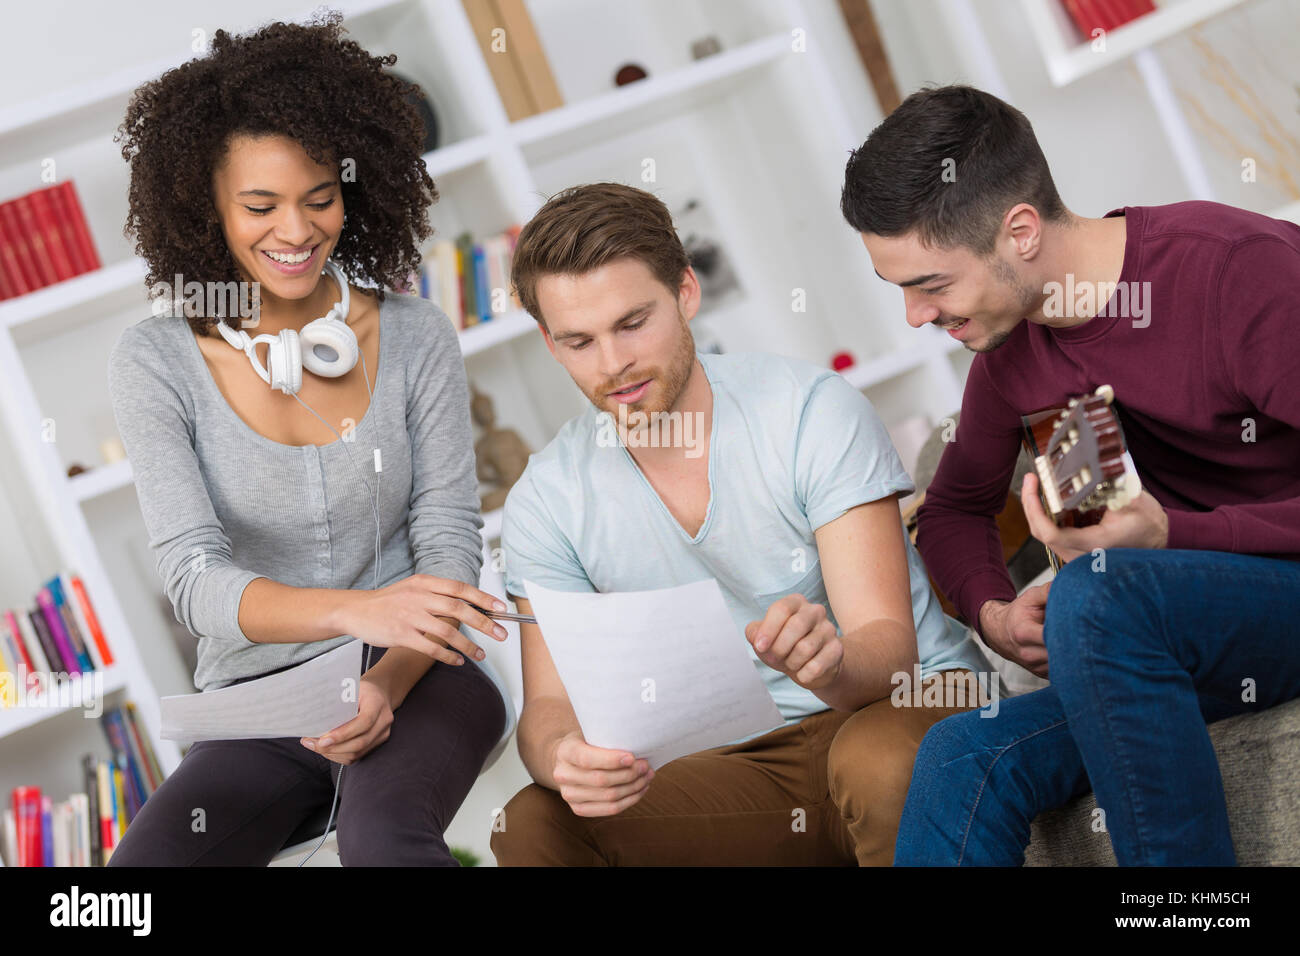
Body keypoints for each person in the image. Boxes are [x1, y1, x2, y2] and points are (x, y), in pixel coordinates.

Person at [840, 84, 1300, 865]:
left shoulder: (1233, 273)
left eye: (931, 285)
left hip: (1266, 597)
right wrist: (994, 616)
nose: (916, 318)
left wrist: (1172, 534)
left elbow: (1130, 570)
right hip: (1169, 634)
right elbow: (952, 511)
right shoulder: (1014, 350)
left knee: (1098, 594)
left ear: (1019, 231)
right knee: (959, 756)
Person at [105, 14, 508, 866]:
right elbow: (195, 581)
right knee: (129, 884)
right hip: (260, 704)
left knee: (382, 839)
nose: (296, 230)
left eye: (319, 197)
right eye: (260, 205)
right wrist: (352, 610)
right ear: (203, 206)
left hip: (420, 671)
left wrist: (382, 673)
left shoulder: (415, 334)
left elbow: (446, 540)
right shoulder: (154, 361)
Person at [489, 182, 990, 867]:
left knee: (876, 761)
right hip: (738, 767)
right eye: (579, 341)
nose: (613, 365)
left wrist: (832, 665)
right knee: (530, 823)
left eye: (634, 322)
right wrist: (563, 755)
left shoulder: (808, 410)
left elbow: (889, 652)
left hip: (900, 710)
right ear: (550, 343)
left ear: (686, 294)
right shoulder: (547, 500)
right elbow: (548, 705)